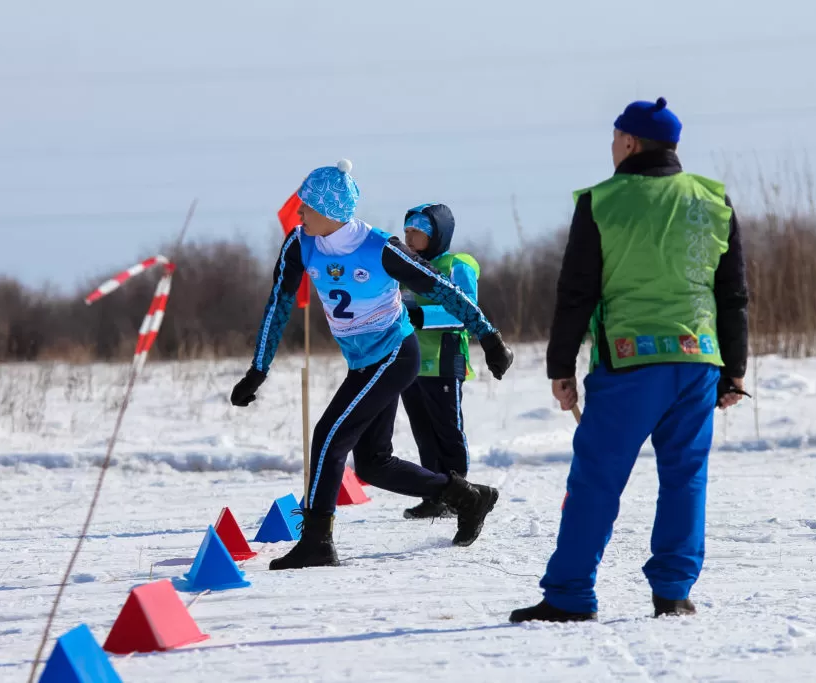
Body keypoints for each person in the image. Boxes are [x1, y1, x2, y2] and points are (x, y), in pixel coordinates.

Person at [509, 98, 749, 623]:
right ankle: (674, 592)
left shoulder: (602, 202)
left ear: (630, 143)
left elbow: (576, 292)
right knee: (685, 477)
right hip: (698, 361)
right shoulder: (713, 200)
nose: (612, 146)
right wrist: (734, 370)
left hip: (630, 362)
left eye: (615, 137)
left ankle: (570, 595)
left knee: (596, 478)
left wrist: (560, 368)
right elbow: (731, 294)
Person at [230, 160, 514, 571]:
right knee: (372, 464)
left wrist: (489, 337)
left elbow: (444, 288)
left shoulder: (379, 247)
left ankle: (317, 541)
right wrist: (258, 369)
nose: (299, 213)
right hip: (362, 360)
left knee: (328, 434)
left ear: (330, 211)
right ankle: (468, 497)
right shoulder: (299, 244)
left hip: (395, 353)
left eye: (306, 206)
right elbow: (279, 305)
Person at [398, 203, 481, 520]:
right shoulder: (405, 265)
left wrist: (419, 315)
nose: (409, 237)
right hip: (410, 363)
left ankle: (462, 495)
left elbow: (466, 312)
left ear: (437, 236)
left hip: (444, 360)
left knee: (448, 431)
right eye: (406, 231)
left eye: (416, 231)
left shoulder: (456, 264)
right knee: (423, 433)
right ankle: (434, 494)